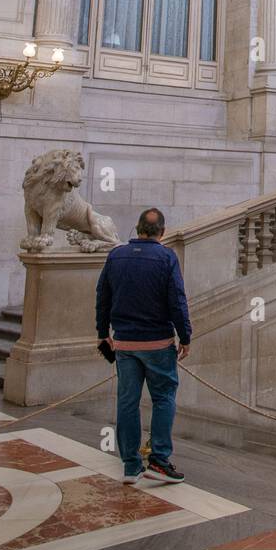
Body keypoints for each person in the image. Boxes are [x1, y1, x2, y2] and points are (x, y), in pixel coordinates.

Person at [95, 207, 191, 485]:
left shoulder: (116, 255)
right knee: (163, 399)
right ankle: (159, 461)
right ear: (162, 232)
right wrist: (185, 337)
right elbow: (177, 301)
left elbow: (102, 297)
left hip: (124, 343)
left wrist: (103, 333)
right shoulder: (166, 257)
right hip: (158, 343)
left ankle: (130, 465)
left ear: (137, 230)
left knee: (127, 402)